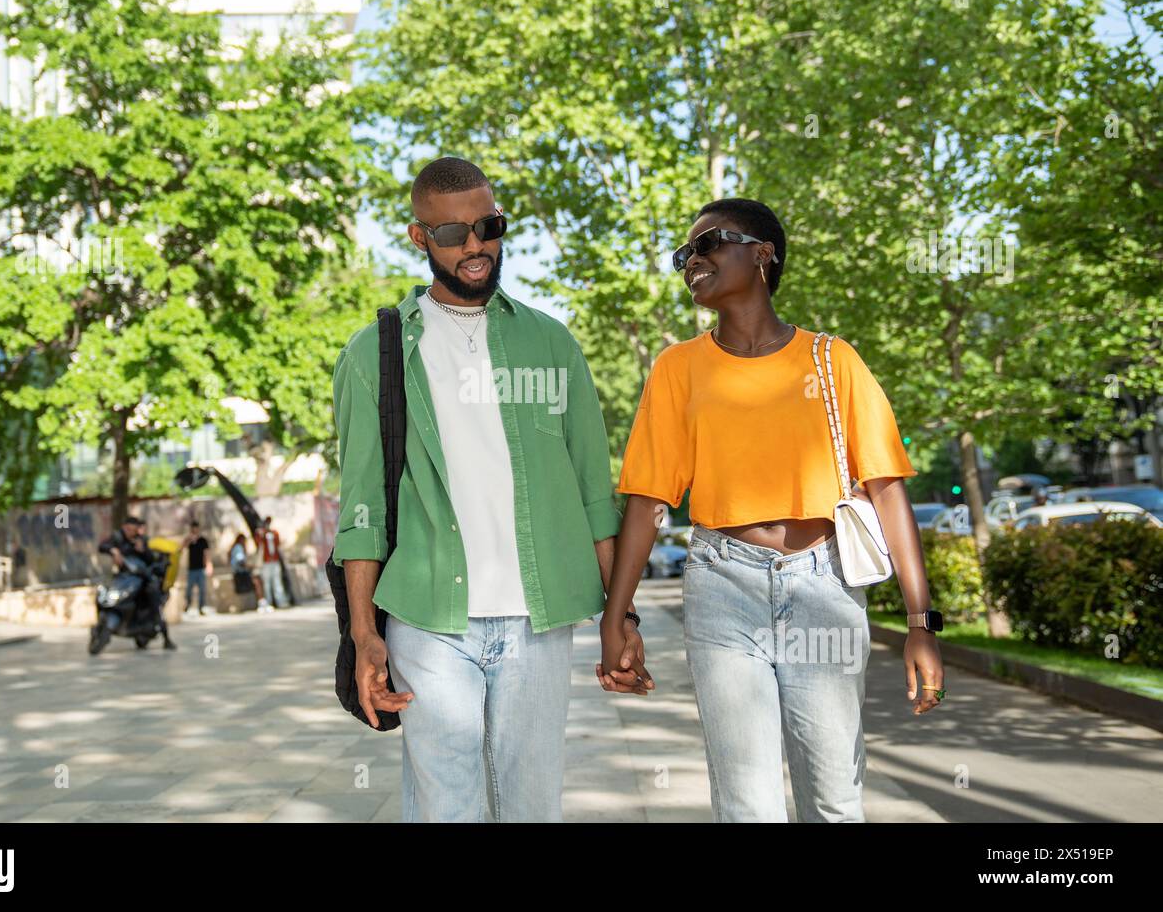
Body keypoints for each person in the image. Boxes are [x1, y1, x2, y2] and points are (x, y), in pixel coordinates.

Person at [601, 197, 944, 822]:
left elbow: (888, 490)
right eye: (684, 254)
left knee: (835, 798)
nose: (691, 261)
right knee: (746, 804)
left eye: (708, 244)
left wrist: (923, 623)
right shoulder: (677, 368)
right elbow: (648, 501)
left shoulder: (833, 360)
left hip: (825, 584)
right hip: (721, 586)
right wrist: (617, 614)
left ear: (763, 255)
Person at [331, 157, 622, 822]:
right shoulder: (373, 354)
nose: (475, 247)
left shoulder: (552, 344)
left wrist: (620, 615)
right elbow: (362, 511)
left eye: (488, 227)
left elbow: (593, 493)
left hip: (538, 624)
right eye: (452, 233)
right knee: (446, 809)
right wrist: (364, 633)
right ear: (418, 237)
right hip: (429, 620)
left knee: (532, 808)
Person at [99, 515, 175, 650]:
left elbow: (153, 559)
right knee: (103, 592)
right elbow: (102, 546)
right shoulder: (118, 538)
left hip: (143, 579)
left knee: (154, 599)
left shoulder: (142, 540)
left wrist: (143, 551)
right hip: (125, 577)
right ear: (124, 528)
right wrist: (113, 550)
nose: (130, 533)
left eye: (133, 530)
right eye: (128, 530)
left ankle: (166, 637)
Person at [254, 516, 289, 610]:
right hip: (265, 562)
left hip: (275, 561)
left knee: (277, 582)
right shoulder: (261, 533)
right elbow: (258, 543)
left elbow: (278, 545)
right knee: (267, 583)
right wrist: (261, 533)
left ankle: (281, 602)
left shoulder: (274, 533)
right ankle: (268, 603)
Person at [179, 521, 212, 616]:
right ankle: (187, 605)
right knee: (189, 589)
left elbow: (207, 553)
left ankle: (201, 608)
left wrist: (209, 565)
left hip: (201, 568)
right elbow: (181, 549)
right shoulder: (188, 540)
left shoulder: (203, 540)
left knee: (202, 589)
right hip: (191, 569)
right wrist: (189, 540)